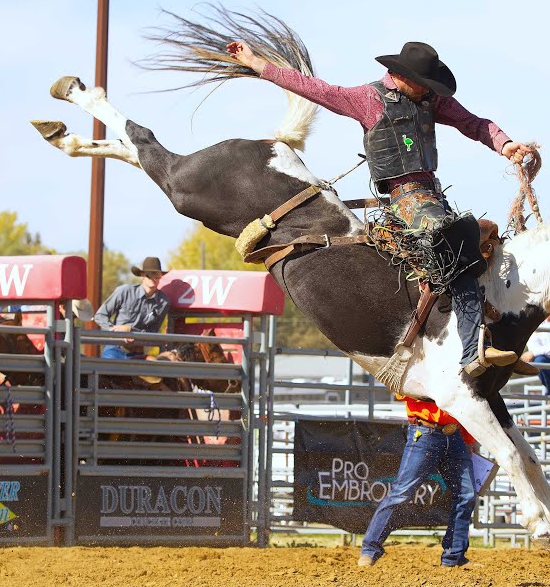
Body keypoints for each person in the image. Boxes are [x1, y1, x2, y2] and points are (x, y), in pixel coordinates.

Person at [226, 39, 533, 378]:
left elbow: (473, 123)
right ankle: (473, 350)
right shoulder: (368, 99)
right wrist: (258, 65)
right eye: (425, 84)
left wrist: (505, 144)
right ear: (402, 76)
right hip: (405, 198)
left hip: (432, 196)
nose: (429, 92)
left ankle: (496, 341)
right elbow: (317, 90)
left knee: (485, 247)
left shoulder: (428, 99)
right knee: (460, 239)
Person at [359, 394, 478, 568]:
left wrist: (467, 440)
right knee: (401, 492)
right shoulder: (423, 367)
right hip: (425, 431)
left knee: (466, 494)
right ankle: (370, 549)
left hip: (452, 434)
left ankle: (454, 556)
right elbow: (399, 391)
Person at [92, 257, 172, 360]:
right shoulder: (124, 291)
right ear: (143, 275)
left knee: (152, 369)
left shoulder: (163, 302)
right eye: (150, 274)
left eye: (157, 275)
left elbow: (153, 332)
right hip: (115, 348)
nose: (154, 278)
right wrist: (115, 330)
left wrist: (131, 330)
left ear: (161, 276)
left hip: (137, 352)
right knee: (108, 372)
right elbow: (100, 315)